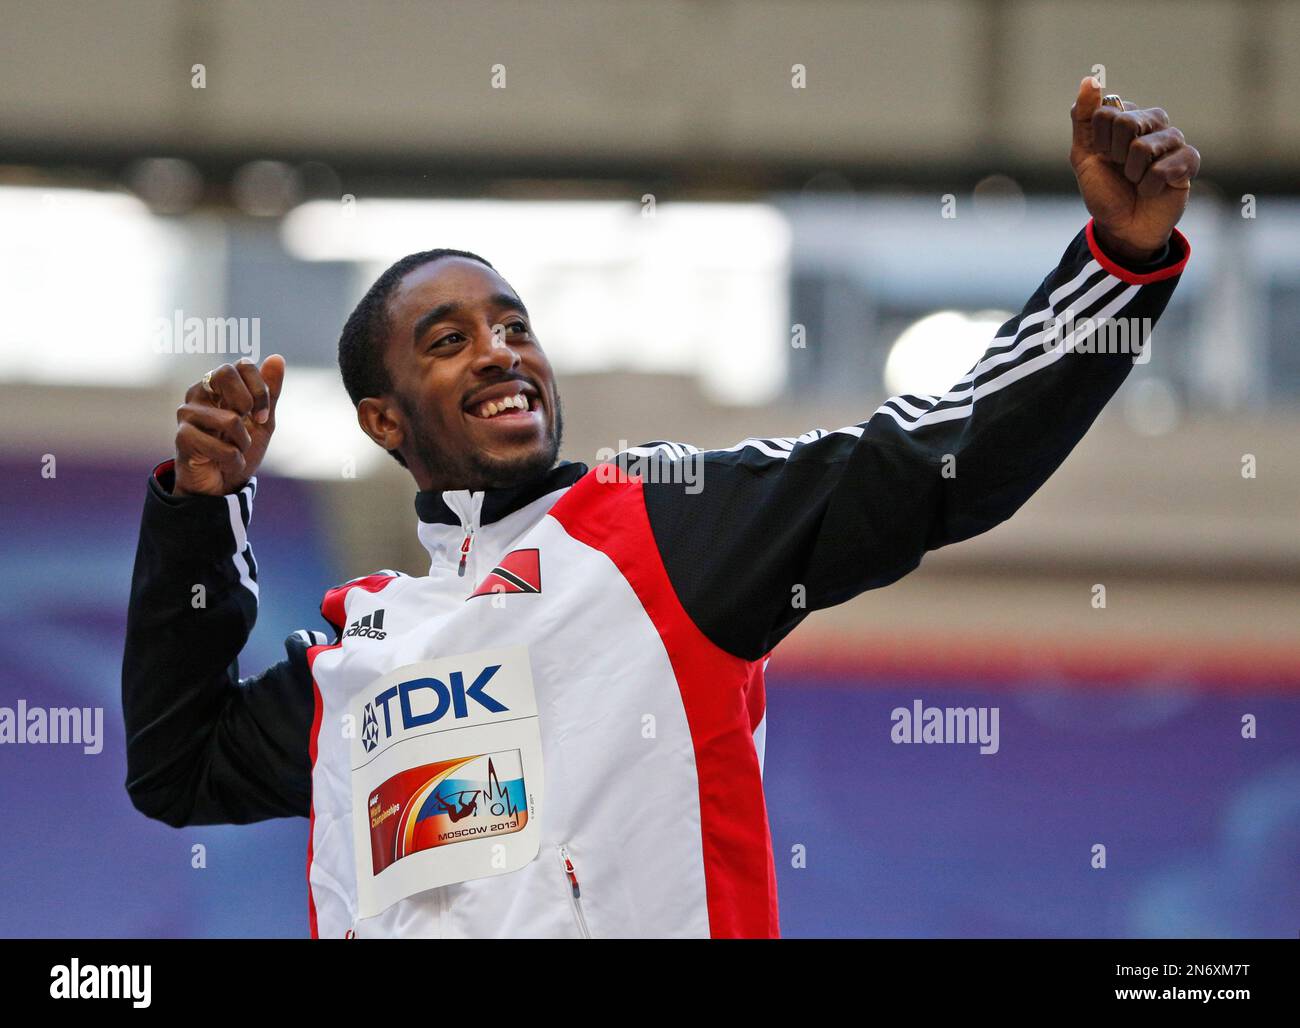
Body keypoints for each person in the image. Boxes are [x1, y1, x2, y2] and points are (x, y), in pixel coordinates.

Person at [122, 78, 1198, 937]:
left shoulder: (664, 525)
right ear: (382, 421)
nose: (500, 350)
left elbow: (935, 458)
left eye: (513, 324)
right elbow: (177, 761)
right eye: (447, 341)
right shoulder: (355, 657)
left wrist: (1117, 265)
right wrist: (200, 514)